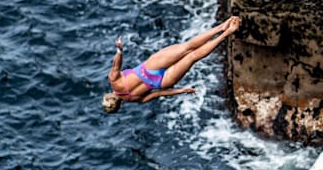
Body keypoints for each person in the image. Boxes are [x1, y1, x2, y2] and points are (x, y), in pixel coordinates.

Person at [102, 16, 241, 113]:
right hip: (149, 68)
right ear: (107, 96)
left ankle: (227, 33)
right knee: (188, 47)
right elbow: (117, 65)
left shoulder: (133, 100)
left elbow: (159, 94)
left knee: (193, 57)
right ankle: (221, 27)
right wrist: (119, 50)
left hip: (161, 82)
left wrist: (180, 91)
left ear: (118, 105)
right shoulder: (114, 81)